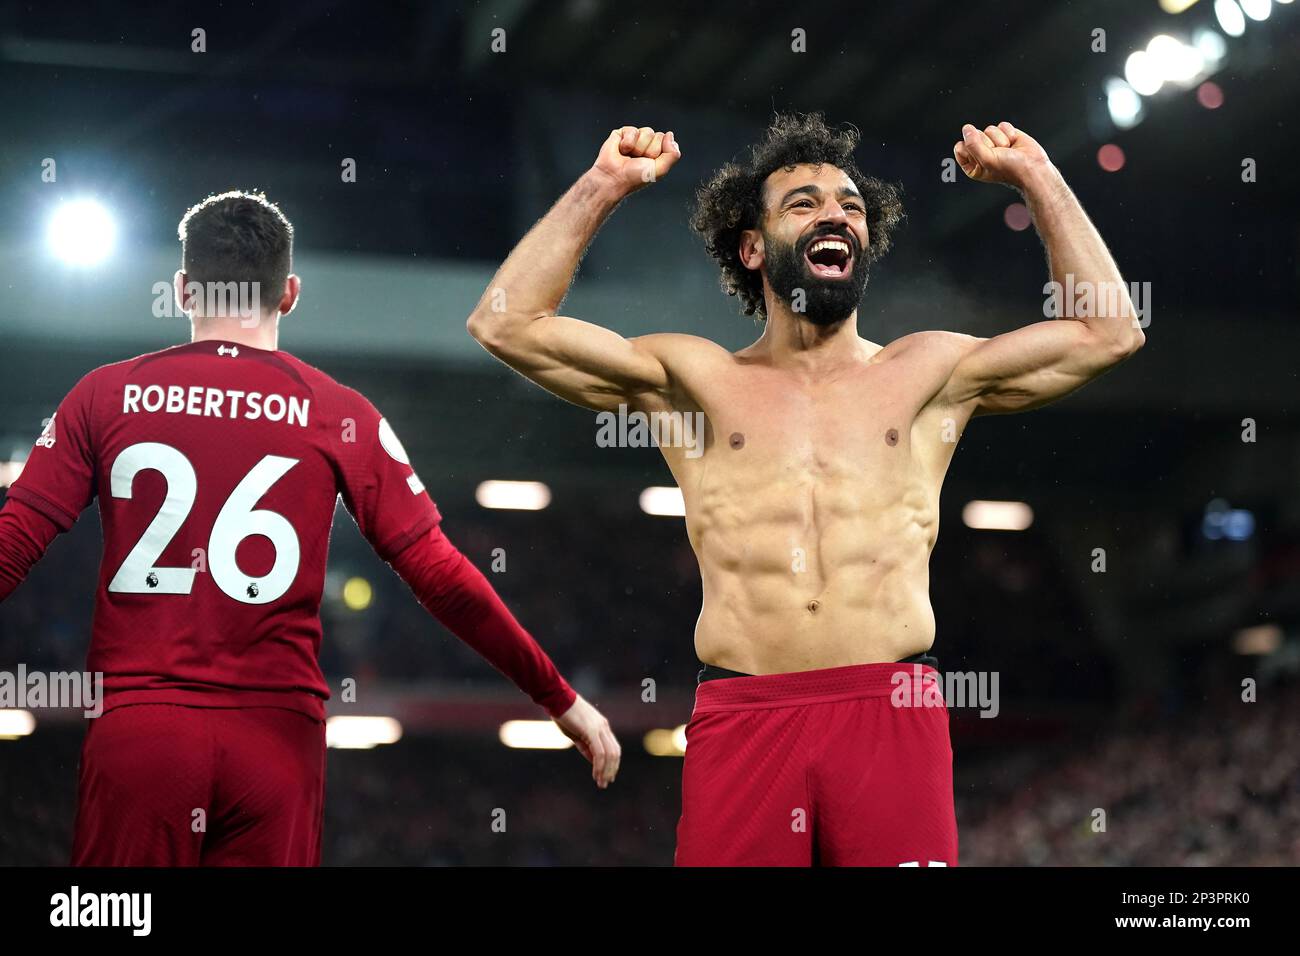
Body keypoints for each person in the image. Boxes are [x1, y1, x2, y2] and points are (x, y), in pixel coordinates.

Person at [466, 115, 1144, 865]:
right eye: (805, 204)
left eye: (851, 206)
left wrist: (1038, 176)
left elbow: (1108, 331)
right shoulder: (695, 382)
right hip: (745, 712)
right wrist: (603, 185)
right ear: (753, 248)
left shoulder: (928, 374)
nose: (835, 215)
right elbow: (507, 325)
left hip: (893, 709)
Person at [0, 190, 619, 866]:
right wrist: (557, 698)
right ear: (289, 293)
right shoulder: (339, 412)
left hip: (145, 733)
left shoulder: (103, 395)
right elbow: (441, 575)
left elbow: (13, 544)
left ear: (182, 290)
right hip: (277, 743)